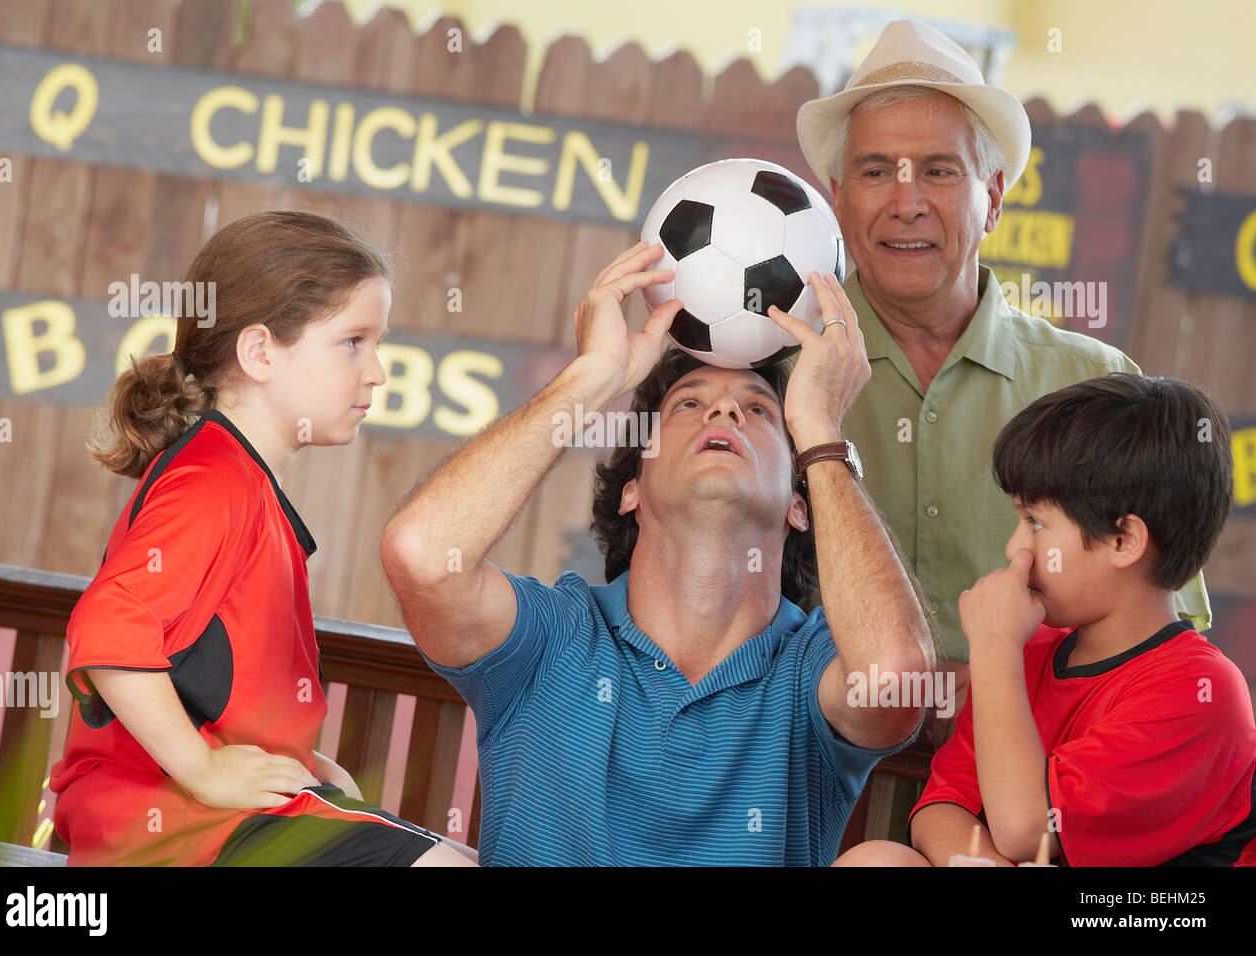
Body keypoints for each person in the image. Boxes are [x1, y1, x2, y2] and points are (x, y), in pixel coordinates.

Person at [380, 241, 936, 865]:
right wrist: (596, 375)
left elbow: (893, 680)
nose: (725, 409)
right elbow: (422, 555)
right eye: (688, 404)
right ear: (632, 492)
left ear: (798, 504)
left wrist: (821, 430)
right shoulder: (553, 638)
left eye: (760, 410)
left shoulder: (809, 669)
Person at [795, 19, 1211, 709]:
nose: (907, 203)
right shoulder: (770, 372)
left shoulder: (1096, 387)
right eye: (875, 172)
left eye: (939, 170)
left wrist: (1001, 689)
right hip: (807, 795)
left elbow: (1165, 648)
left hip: (1034, 800)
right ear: (838, 198)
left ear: (992, 199)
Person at [49, 210, 474, 867]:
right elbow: (106, 634)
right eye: (353, 342)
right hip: (175, 833)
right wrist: (205, 771)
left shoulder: (236, 476)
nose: (377, 372)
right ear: (259, 352)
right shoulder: (212, 481)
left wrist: (296, 759)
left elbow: (206, 675)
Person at [834, 374, 1256, 866]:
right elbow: (943, 804)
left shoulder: (1201, 690)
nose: (1016, 547)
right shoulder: (1031, 652)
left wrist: (992, 646)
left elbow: (1027, 831)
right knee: (877, 861)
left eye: (1035, 522)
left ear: (1124, 541)